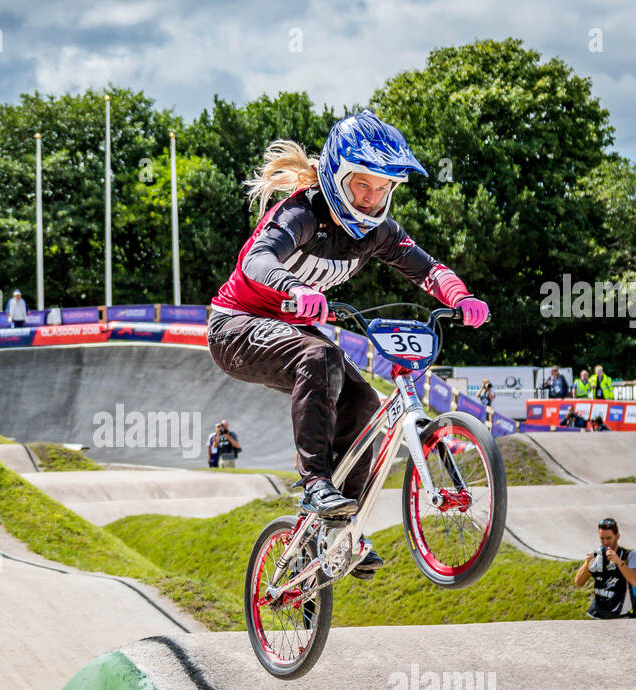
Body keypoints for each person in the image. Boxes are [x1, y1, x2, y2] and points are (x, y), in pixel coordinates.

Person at [206, 110, 489, 581]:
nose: (372, 198)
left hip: (291, 327)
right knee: (322, 356)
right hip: (237, 324)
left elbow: (428, 269)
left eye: (383, 188)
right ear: (338, 176)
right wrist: (292, 289)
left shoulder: (379, 231)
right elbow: (255, 262)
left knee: (363, 401)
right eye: (363, 185)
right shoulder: (302, 214)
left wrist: (459, 296)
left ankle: (340, 529)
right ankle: (315, 484)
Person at [574, 517, 636, 619]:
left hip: (621, 617)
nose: (605, 542)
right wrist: (587, 563)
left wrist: (618, 561)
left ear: (617, 536)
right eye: (602, 538)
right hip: (598, 617)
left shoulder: (629, 555)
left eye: (608, 538)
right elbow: (578, 582)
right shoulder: (599, 555)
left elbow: (635, 581)